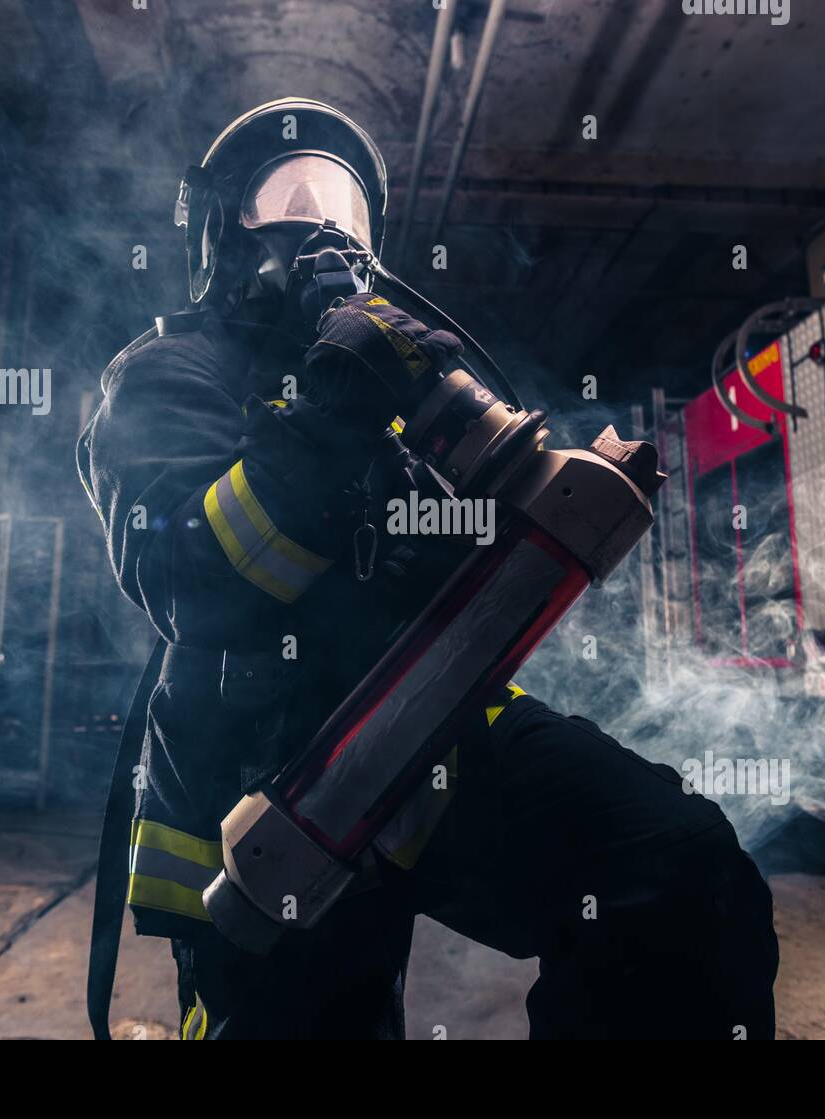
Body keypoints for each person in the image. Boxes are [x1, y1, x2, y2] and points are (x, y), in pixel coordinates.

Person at [78, 98, 777, 1040]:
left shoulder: (385, 363)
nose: (327, 226)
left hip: (426, 735)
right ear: (222, 235)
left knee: (676, 869)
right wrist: (329, 419)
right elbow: (198, 589)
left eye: (348, 209)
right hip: (260, 781)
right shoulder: (168, 375)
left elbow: (447, 553)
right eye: (291, 195)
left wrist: (559, 497)